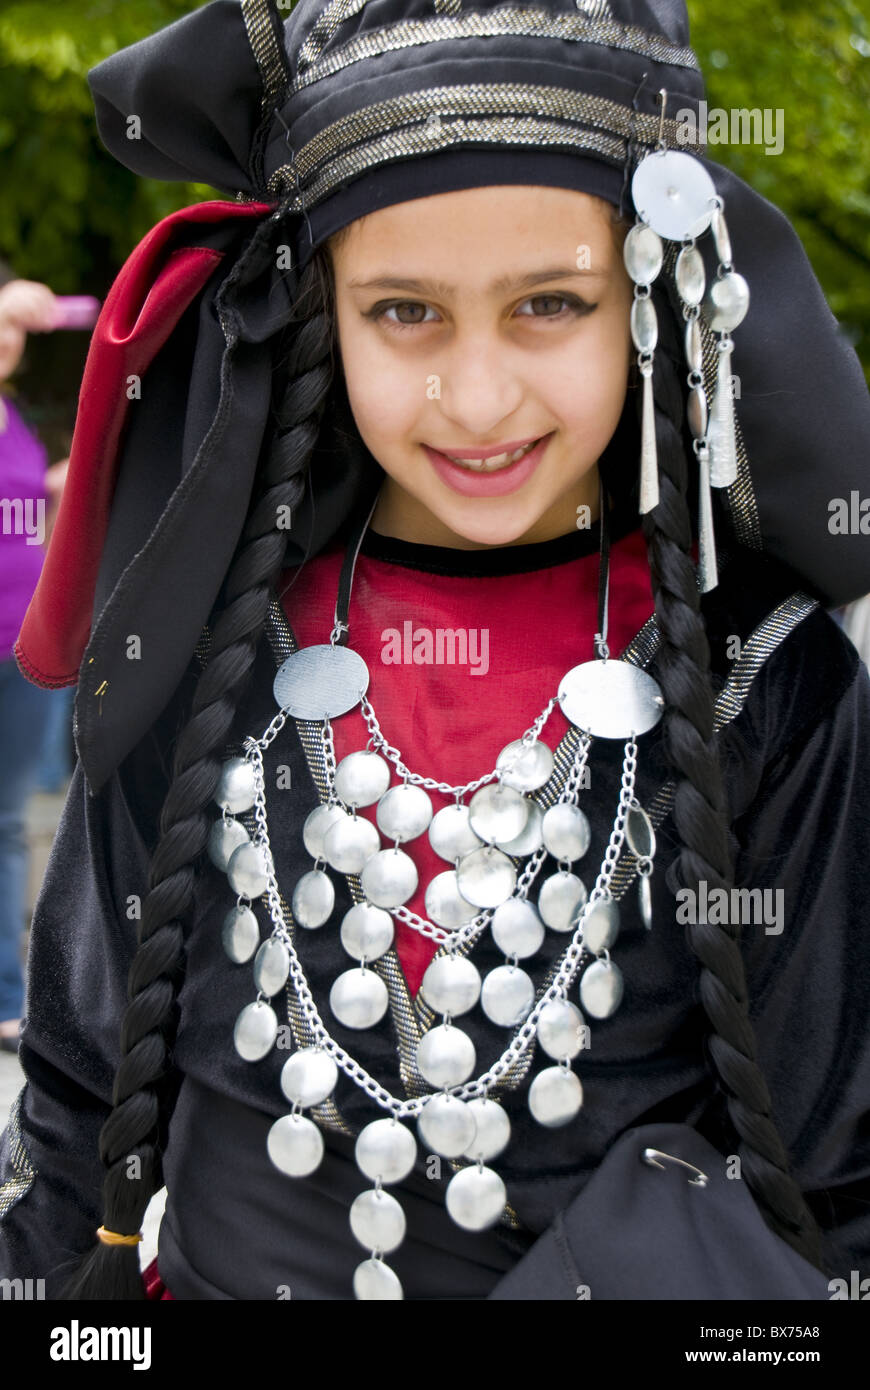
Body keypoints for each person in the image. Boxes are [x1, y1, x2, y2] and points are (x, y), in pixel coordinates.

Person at [1, 0, 869, 1302]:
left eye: (548, 305)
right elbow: (73, 1118)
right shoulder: (199, 639)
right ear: (319, 312)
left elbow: (835, 1200)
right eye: (404, 309)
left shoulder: (763, 675)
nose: (475, 397)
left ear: (643, 302)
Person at [0, 275, 65, 1052]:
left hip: (19, 645)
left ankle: (7, 999)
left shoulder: (14, 417)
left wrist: (52, 491)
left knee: (10, 824)